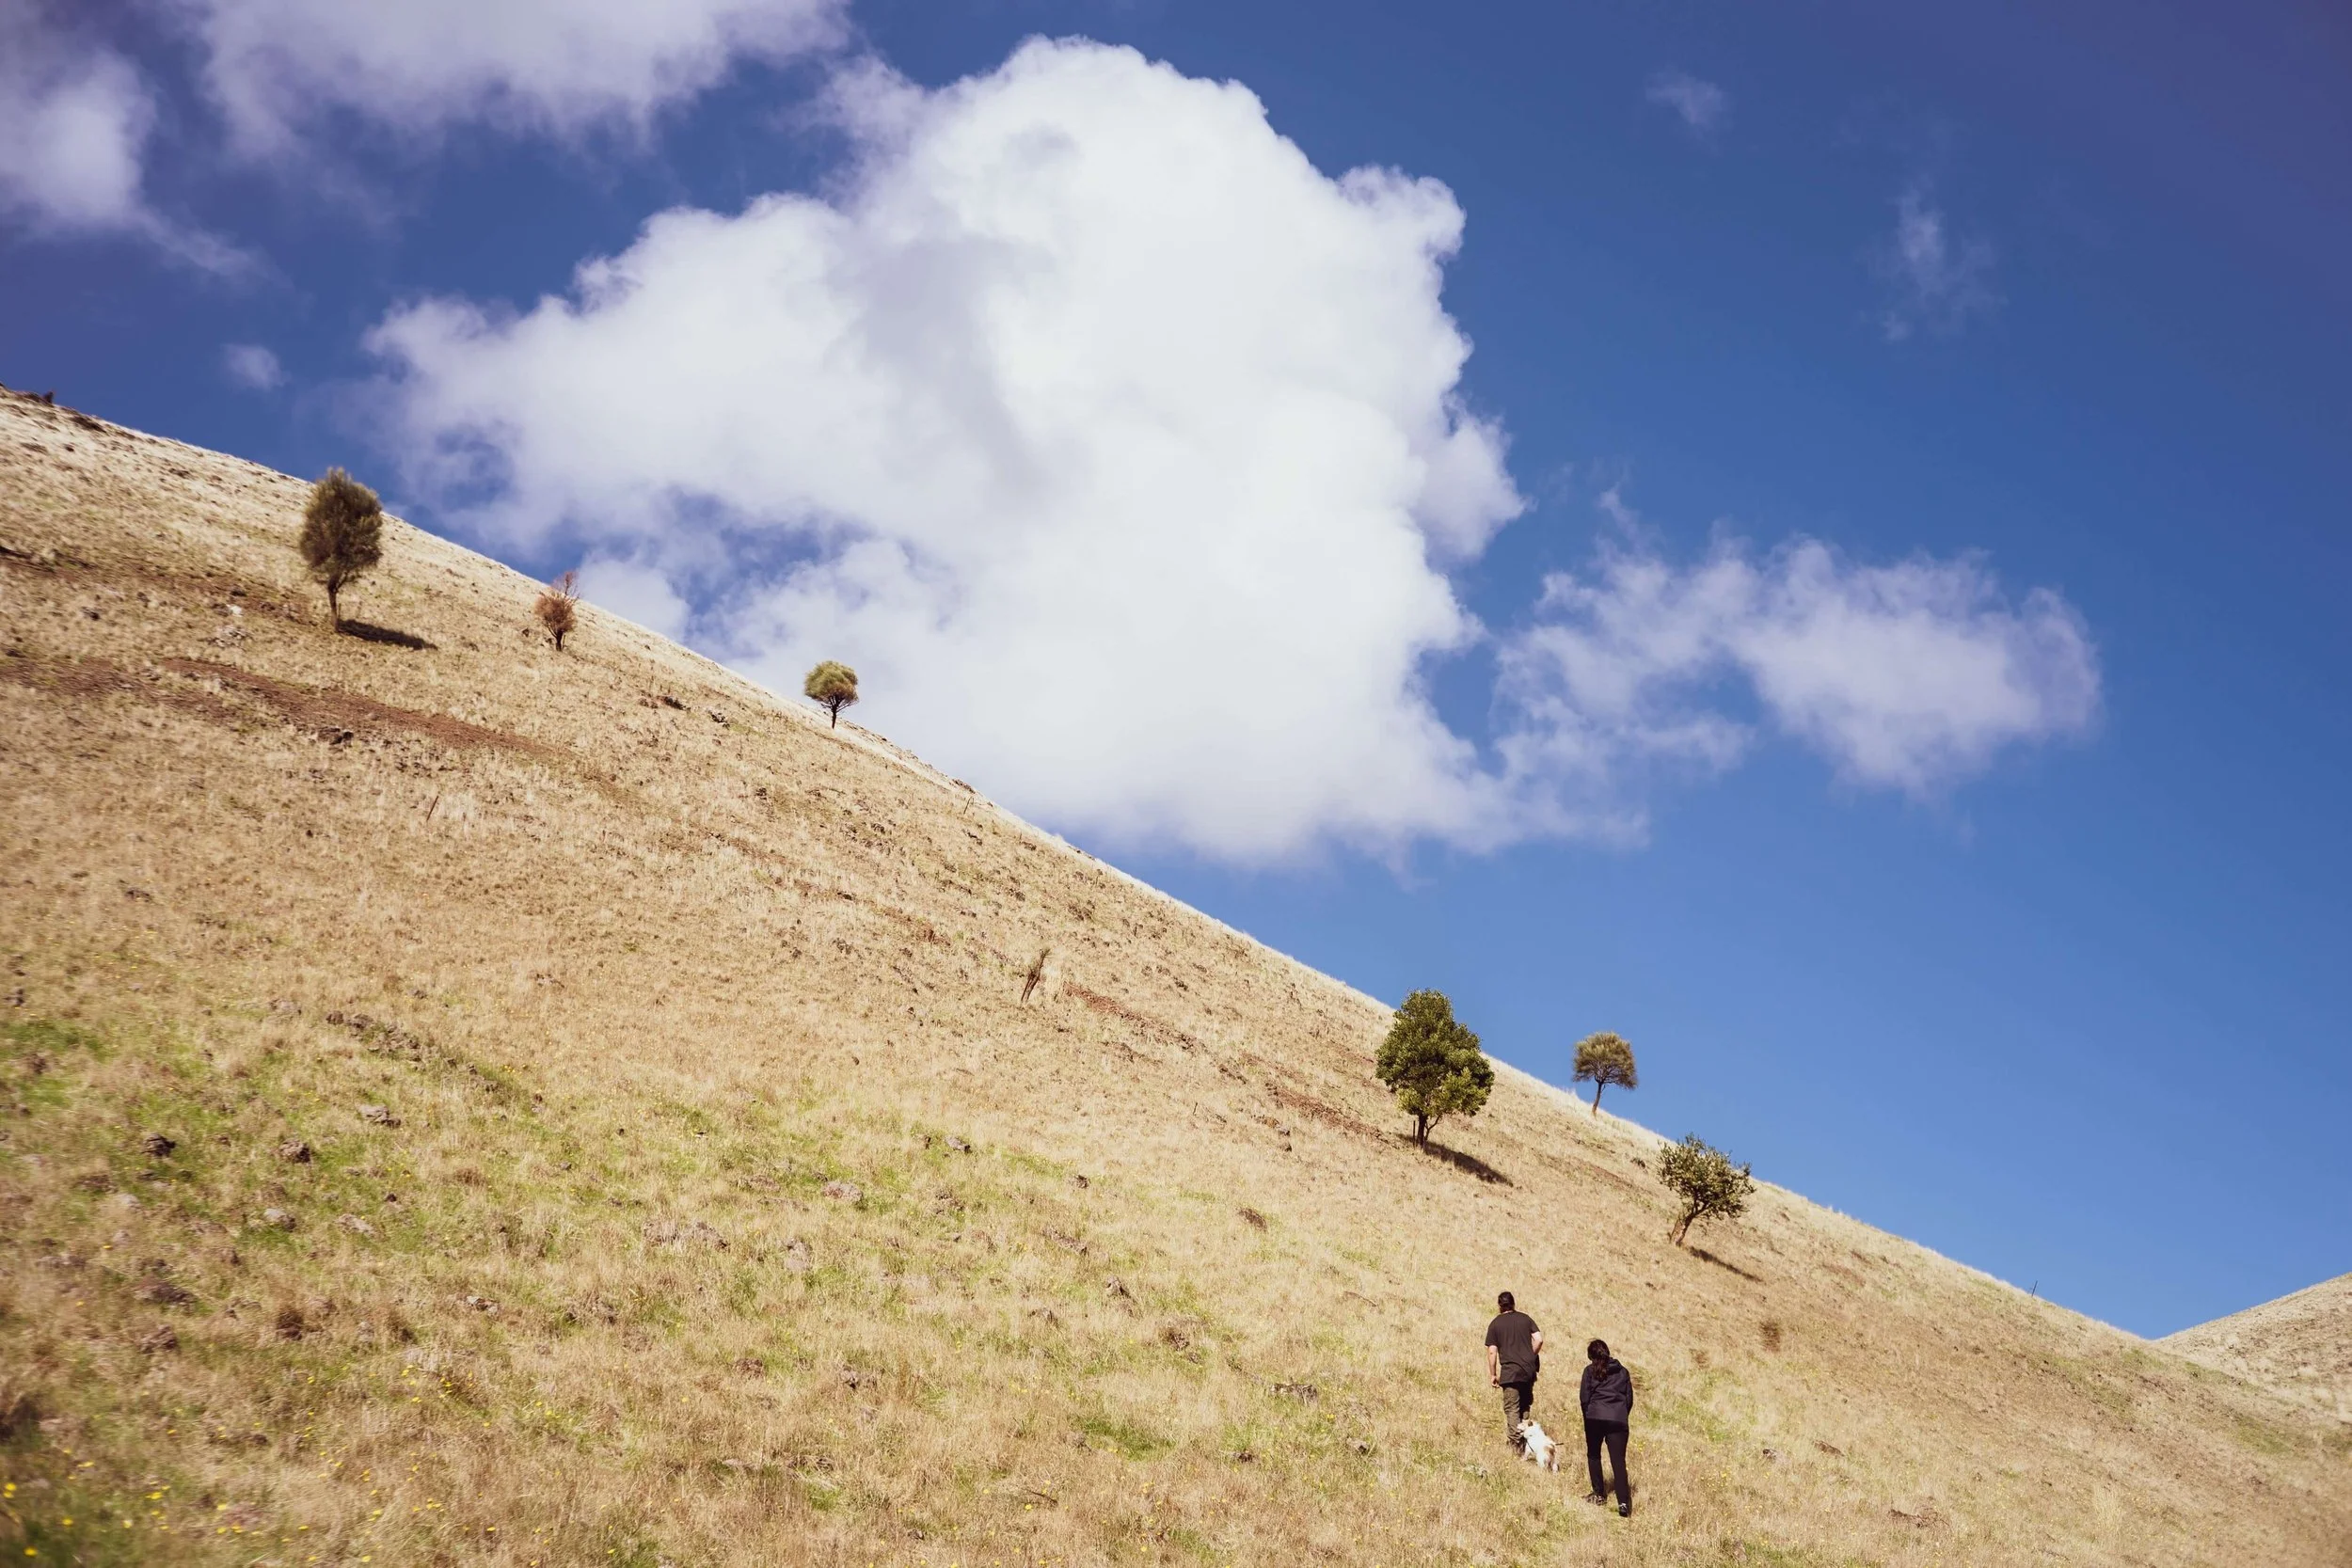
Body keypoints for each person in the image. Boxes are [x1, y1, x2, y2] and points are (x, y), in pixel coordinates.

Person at [1580, 1338, 1634, 1515]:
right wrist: (1621, 1415)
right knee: (1618, 1461)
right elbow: (1629, 1399)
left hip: (1594, 1417)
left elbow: (1584, 1398)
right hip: (1618, 1419)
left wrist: (1588, 1416)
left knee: (1594, 1455)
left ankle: (1599, 1494)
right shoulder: (1623, 1372)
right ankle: (1623, 1503)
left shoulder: (1589, 1371)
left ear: (1591, 1356)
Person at [1484, 1291, 1543, 1451]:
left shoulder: (1495, 1324)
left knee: (1512, 1408)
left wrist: (1493, 1374)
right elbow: (1539, 1339)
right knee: (1524, 1406)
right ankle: (1525, 1440)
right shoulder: (1526, 1319)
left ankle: (1517, 1445)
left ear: (1499, 1305)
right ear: (1513, 1303)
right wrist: (1530, 1355)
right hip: (1528, 1371)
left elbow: (1492, 1351)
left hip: (1510, 1373)